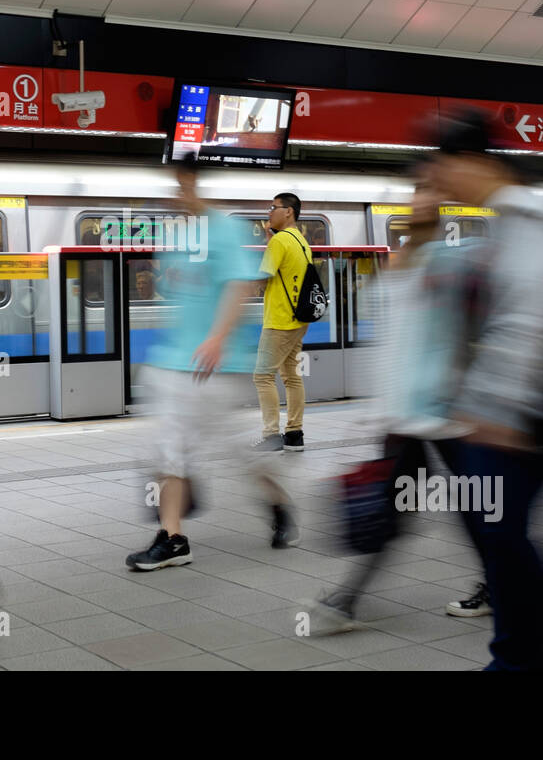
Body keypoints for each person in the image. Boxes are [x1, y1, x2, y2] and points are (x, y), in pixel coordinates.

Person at [429, 112, 543, 671]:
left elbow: (529, 322)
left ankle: (516, 657)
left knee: (498, 530)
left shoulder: (527, 223)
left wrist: (500, 409)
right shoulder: (510, 220)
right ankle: (519, 651)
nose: (444, 183)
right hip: (503, 410)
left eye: (445, 169)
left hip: (516, 414)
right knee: (495, 527)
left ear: (474, 162)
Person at [315, 170, 490, 629]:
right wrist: (376, 408)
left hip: (447, 410)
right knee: (401, 504)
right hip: (405, 414)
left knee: (472, 503)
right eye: (418, 191)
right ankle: (346, 600)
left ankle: (345, 600)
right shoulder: (396, 262)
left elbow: (473, 315)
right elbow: (391, 341)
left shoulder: (453, 261)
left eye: (433, 190)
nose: (423, 199)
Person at [124, 154, 279, 570]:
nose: (173, 195)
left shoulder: (223, 229)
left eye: (179, 185)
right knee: (168, 448)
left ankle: (277, 501)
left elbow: (239, 286)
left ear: (193, 184)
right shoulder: (178, 237)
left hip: (217, 365)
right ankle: (174, 538)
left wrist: (217, 337)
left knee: (233, 452)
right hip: (175, 362)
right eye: (170, 187)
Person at [253, 192, 310, 454]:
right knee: (291, 378)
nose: (269, 212)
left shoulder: (279, 243)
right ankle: (294, 434)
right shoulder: (301, 241)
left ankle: (271, 435)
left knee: (263, 376)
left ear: (288, 211)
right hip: (299, 319)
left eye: (273, 207)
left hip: (278, 321)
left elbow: (262, 279)